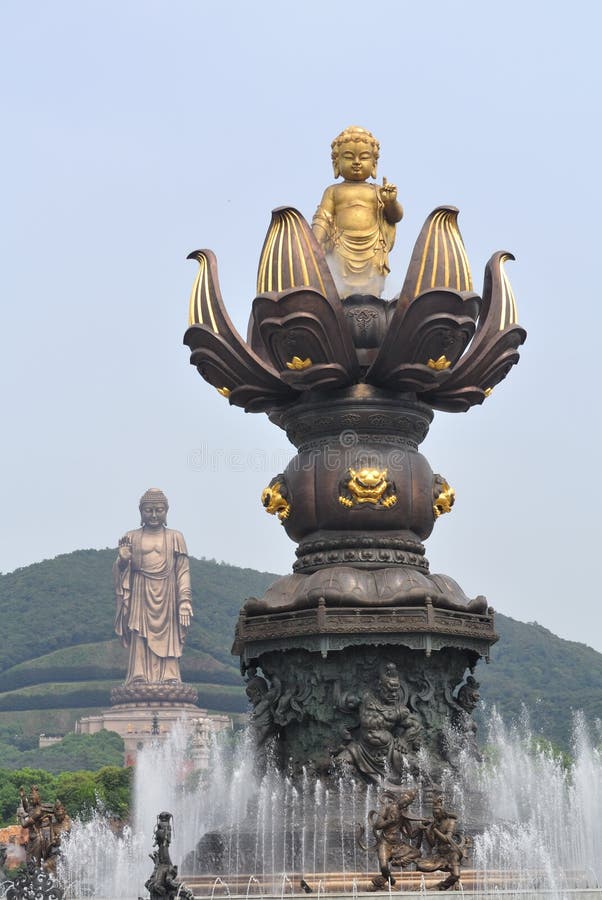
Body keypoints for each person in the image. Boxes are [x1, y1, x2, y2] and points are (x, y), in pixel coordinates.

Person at [312, 126, 403, 298]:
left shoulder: (378, 191)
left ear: (374, 164)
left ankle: (372, 301)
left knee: (372, 290)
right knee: (340, 287)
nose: (356, 162)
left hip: (373, 247)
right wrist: (313, 242)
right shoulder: (333, 191)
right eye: (348, 157)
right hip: (341, 247)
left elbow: (395, 217)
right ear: (336, 163)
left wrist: (391, 202)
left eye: (364, 157)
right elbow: (323, 218)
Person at [114, 489, 193, 684]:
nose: (154, 515)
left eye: (159, 510)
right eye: (149, 510)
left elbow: (183, 571)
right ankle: (138, 675)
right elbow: (120, 570)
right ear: (141, 512)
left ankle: (170, 675)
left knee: (169, 634)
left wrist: (184, 600)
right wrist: (123, 560)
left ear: (166, 511)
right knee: (139, 632)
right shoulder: (131, 537)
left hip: (168, 591)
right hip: (140, 590)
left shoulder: (175, 537)